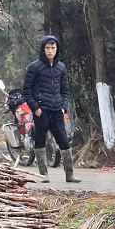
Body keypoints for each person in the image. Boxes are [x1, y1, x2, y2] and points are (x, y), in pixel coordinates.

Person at [21, 34, 80, 183]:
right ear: (43, 49)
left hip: (57, 111)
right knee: (40, 142)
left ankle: (70, 175)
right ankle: (43, 175)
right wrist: (35, 108)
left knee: (64, 142)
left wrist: (63, 108)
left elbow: (65, 90)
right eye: (47, 48)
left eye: (53, 48)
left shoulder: (61, 67)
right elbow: (26, 91)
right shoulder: (34, 67)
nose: (50, 51)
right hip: (41, 112)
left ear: (57, 49)